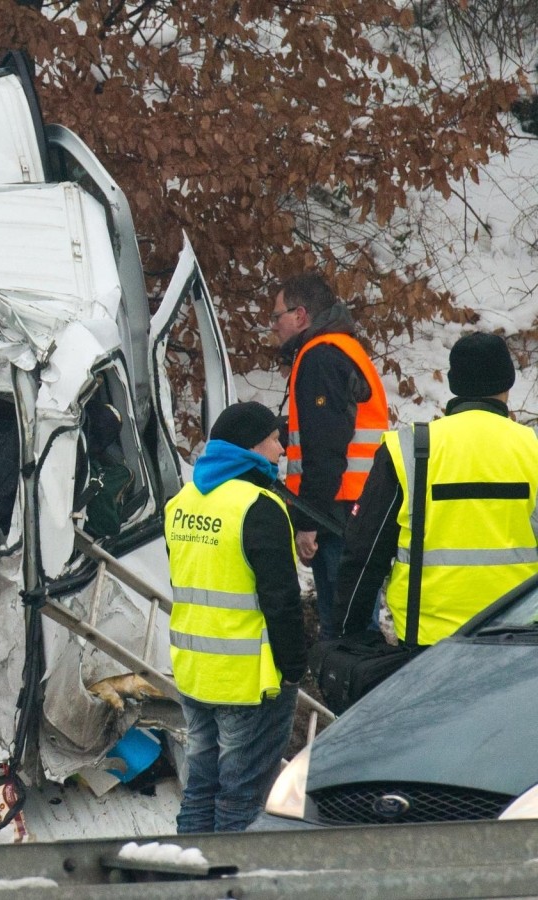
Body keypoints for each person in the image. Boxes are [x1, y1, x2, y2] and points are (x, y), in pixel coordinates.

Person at [334, 332, 538, 646]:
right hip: (520, 640)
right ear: (508, 381)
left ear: (453, 383)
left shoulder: (409, 449)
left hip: (426, 643)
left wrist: (348, 634)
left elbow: (365, 553)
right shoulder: (532, 449)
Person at [165, 401, 305, 833]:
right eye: (275, 438)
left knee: (200, 788)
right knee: (241, 799)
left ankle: (188, 879)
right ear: (251, 444)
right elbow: (281, 600)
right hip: (248, 681)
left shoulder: (181, 501)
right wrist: (295, 666)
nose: (282, 449)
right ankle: (232, 885)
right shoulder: (259, 506)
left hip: (194, 672)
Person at [269, 273, 389, 639]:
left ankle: (352, 697)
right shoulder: (340, 349)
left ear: (300, 315)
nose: (273, 326)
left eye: (277, 317)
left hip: (336, 514)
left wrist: (308, 520)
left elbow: (325, 448)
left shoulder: (320, 357)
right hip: (355, 507)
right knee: (354, 620)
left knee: (343, 627)